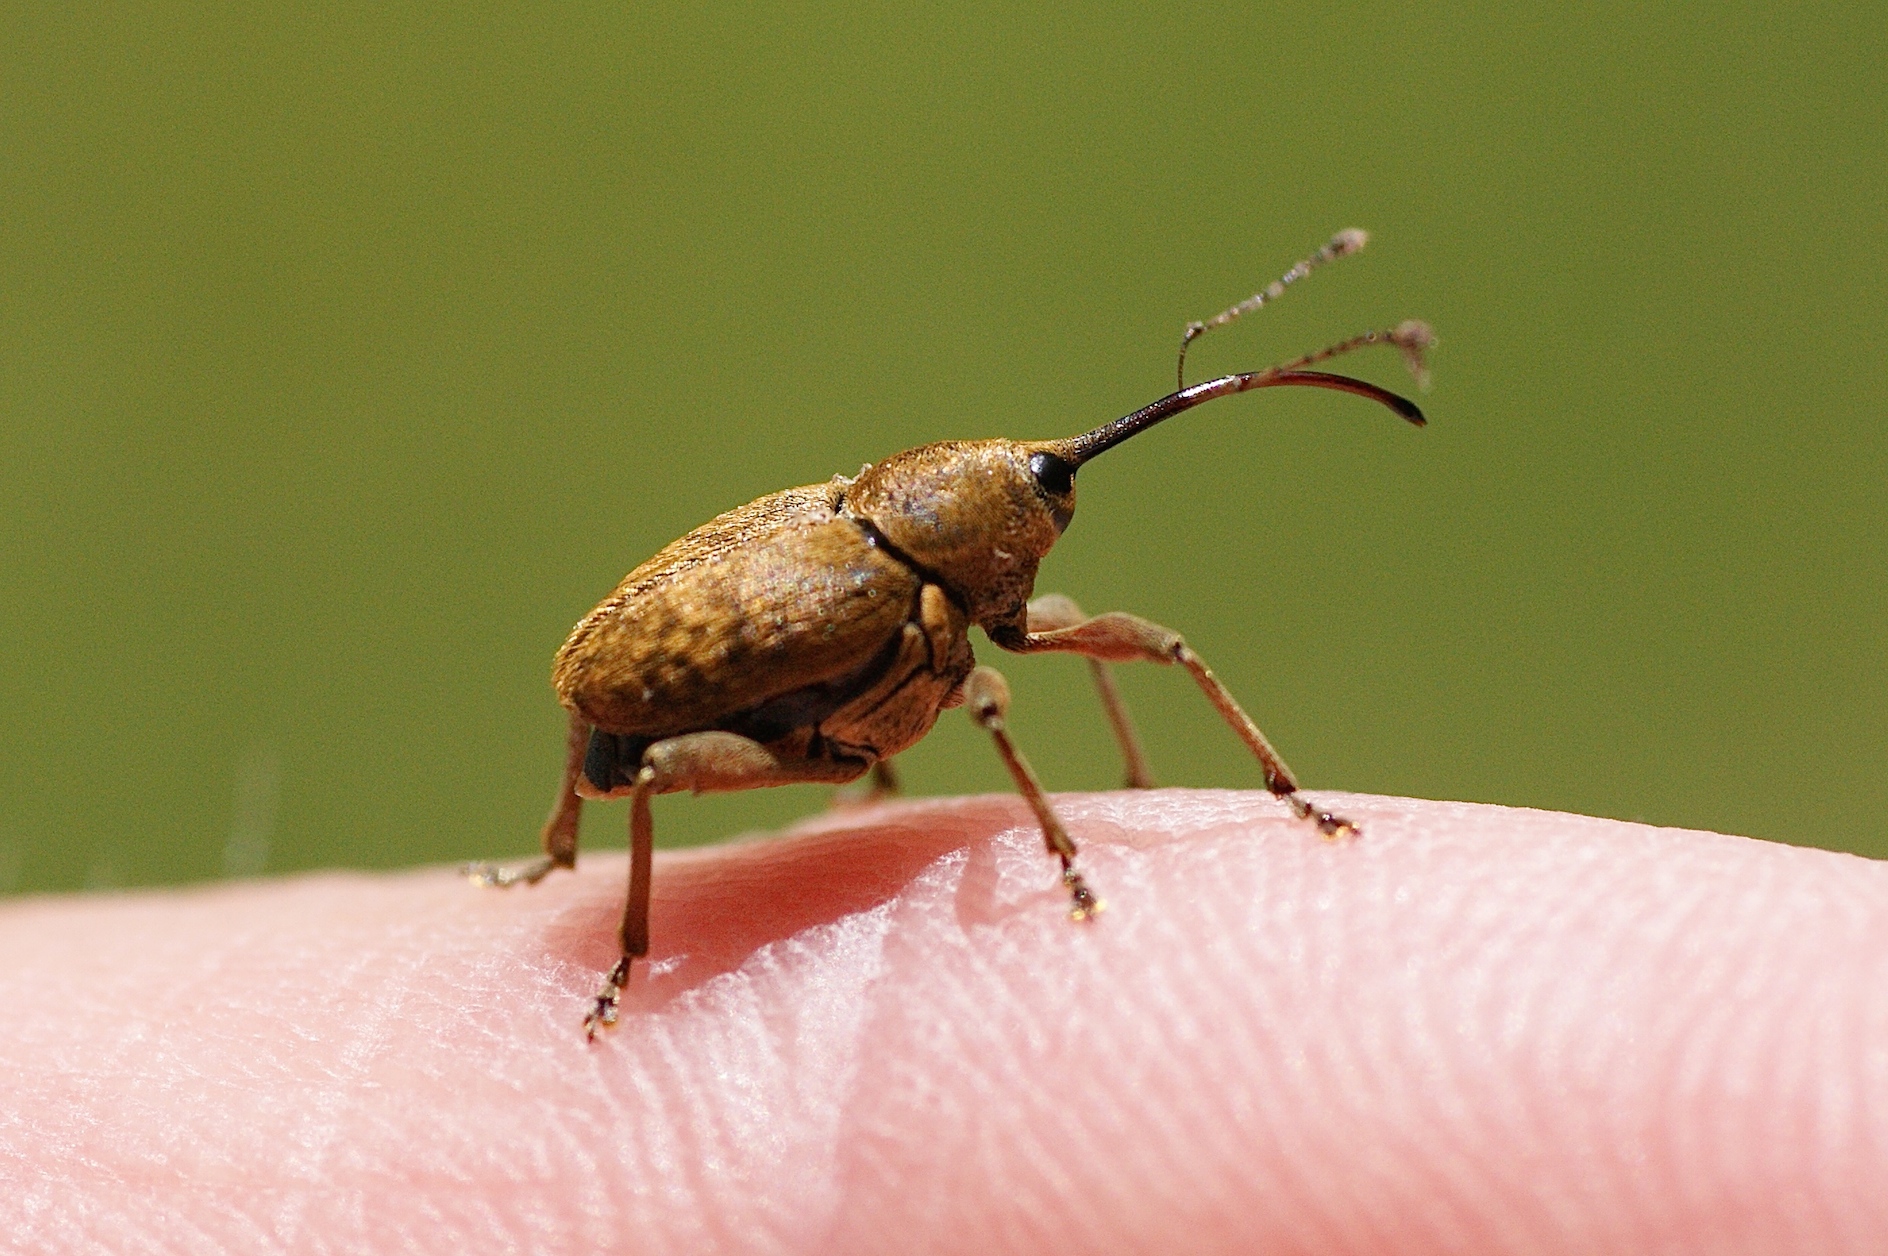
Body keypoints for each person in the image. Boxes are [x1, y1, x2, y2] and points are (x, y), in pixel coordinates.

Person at [4, 789, 1885, 1253]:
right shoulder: (887, 597)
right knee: (974, 721)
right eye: (1045, 503)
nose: (1050, 530)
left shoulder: (948, 563)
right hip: (667, 697)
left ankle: (1214, 797)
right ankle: (586, 891)